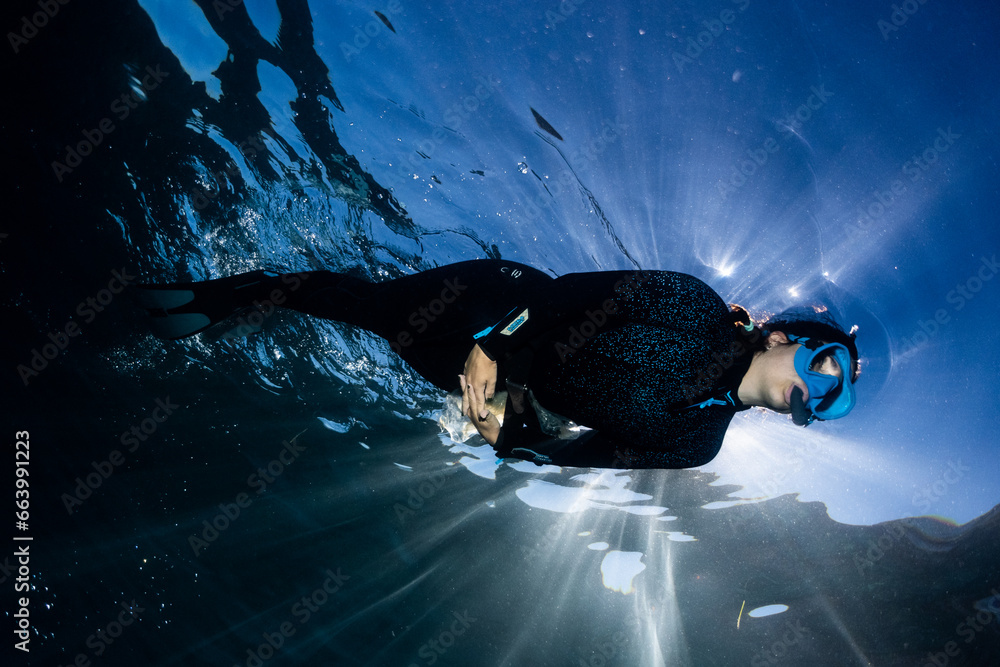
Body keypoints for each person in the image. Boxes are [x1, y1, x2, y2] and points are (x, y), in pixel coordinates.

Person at [134, 259, 860, 469]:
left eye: (834, 398)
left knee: (388, 328)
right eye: (828, 361)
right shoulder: (694, 304)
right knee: (374, 309)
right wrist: (494, 342)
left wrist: (505, 439)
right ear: (780, 337)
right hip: (506, 302)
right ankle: (231, 293)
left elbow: (577, 454)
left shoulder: (697, 444)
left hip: (511, 385)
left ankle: (276, 297)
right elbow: (569, 292)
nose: (820, 388)